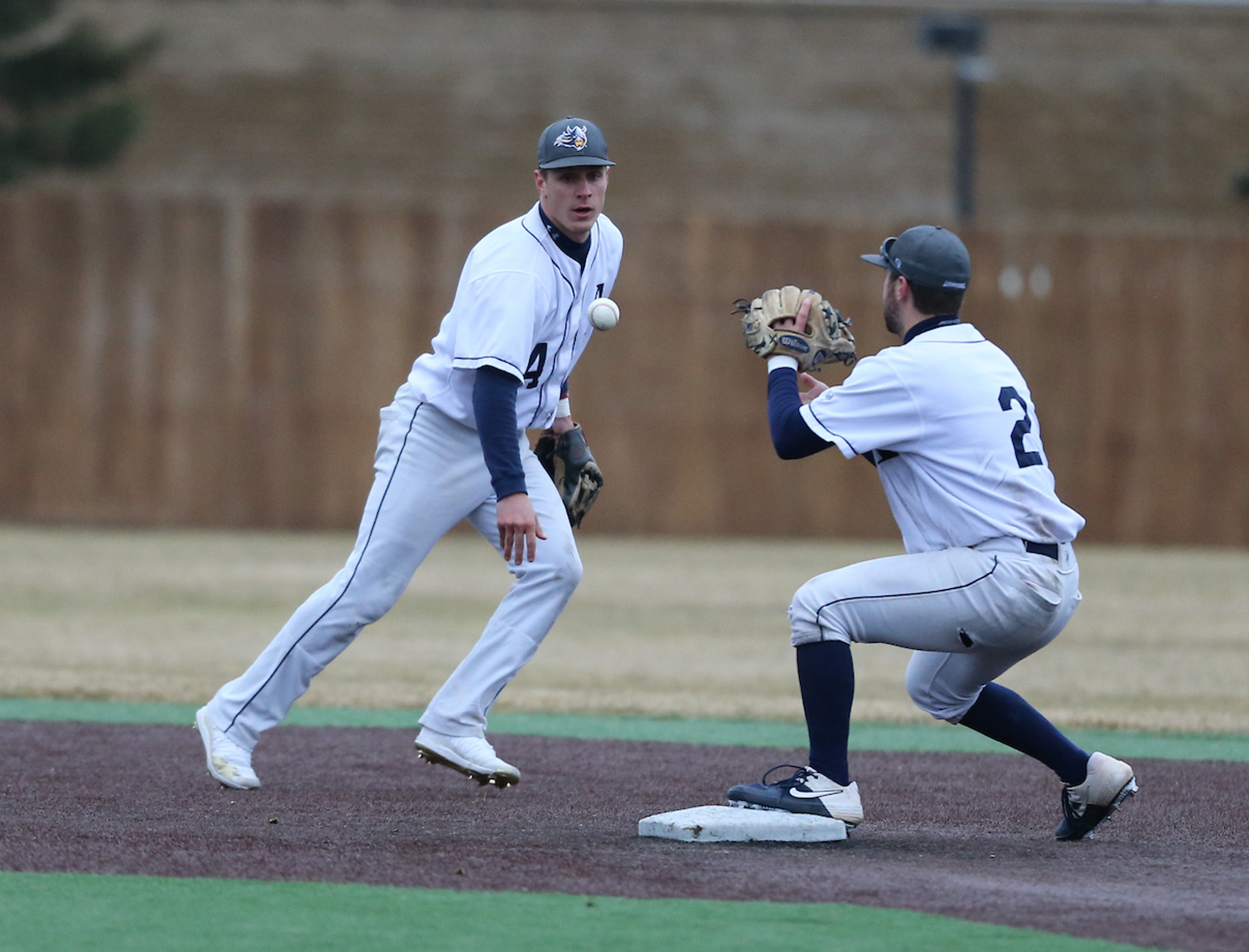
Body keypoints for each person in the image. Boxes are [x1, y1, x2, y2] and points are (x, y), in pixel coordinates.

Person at [194, 117, 623, 791]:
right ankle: (232, 717)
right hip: (439, 436)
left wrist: (561, 418)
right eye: (568, 177)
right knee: (366, 591)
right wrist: (513, 490)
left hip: (501, 440)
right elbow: (492, 386)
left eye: (594, 175)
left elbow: (557, 346)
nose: (584, 190)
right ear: (540, 181)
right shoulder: (512, 266)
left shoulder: (606, 242)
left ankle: (456, 720)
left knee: (555, 570)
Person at [725, 225, 1137, 840]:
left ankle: (828, 785)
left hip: (1000, 577)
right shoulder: (988, 356)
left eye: (885, 276)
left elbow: (787, 437)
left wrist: (782, 355)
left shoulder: (906, 369)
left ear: (900, 286)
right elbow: (934, 453)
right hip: (1052, 576)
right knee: (937, 688)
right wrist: (843, 410)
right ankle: (1087, 775)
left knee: (818, 607)